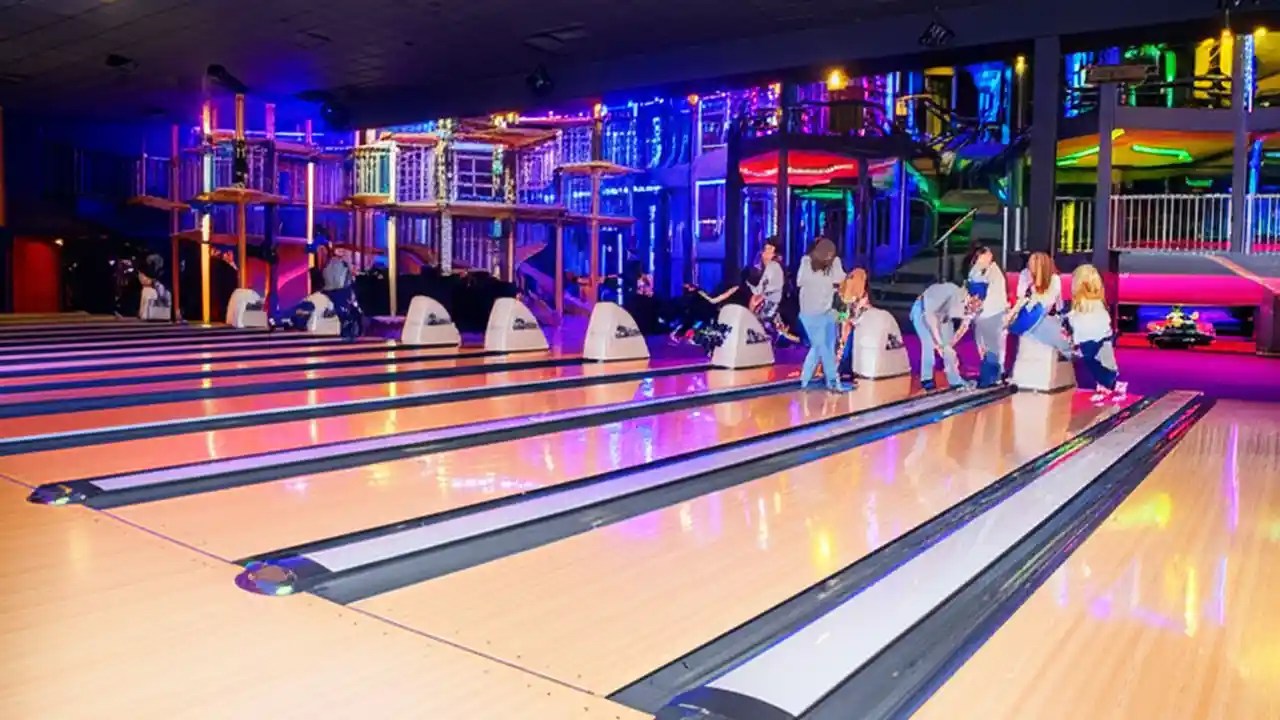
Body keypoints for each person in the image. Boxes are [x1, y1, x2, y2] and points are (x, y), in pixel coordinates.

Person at [1065, 264, 1127, 402]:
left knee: (1094, 361)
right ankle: (1107, 386)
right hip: (1094, 339)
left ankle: (1113, 385)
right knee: (1097, 362)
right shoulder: (1088, 303)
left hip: (1096, 339)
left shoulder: (1091, 304)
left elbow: (1091, 324)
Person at [796, 236, 848, 392]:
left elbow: (841, 279)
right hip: (809, 313)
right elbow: (799, 281)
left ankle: (807, 381)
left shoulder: (835, 262)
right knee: (821, 347)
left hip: (827, 311)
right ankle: (832, 382)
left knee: (824, 347)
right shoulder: (806, 261)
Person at [910, 280, 981, 390]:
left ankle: (955, 380)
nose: (974, 304)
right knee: (929, 343)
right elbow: (930, 318)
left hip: (943, 317)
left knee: (948, 350)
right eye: (973, 299)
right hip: (923, 310)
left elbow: (964, 326)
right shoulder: (950, 291)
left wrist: (949, 347)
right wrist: (940, 344)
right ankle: (926, 379)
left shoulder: (973, 305)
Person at [1007, 251, 1071, 355]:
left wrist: (1035, 285)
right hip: (1027, 309)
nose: (1029, 267)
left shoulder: (1054, 279)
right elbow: (1021, 297)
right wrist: (1013, 313)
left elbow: (1048, 304)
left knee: (1038, 311)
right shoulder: (1025, 273)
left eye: (1032, 264)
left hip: (1044, 312)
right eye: (1029, 264)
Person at [966, 245, 1009, 387]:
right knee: (983, 347)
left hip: (994, 313)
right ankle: (991, 375)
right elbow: (973, 290)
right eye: (985, 255)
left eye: (989, 255)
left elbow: (989, 294)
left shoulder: (994, 271)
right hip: (982, 315)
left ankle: (993, 377)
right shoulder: (976, 271)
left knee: (993, 347)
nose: (989, 256)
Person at [835, 267, 870, 383]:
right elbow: (845, 313)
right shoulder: (850, 292)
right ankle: (843, 370)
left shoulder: (845, 289)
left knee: (843, 345)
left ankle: (841, 369)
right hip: (847, 322)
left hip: (846, 321)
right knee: (845, 345)